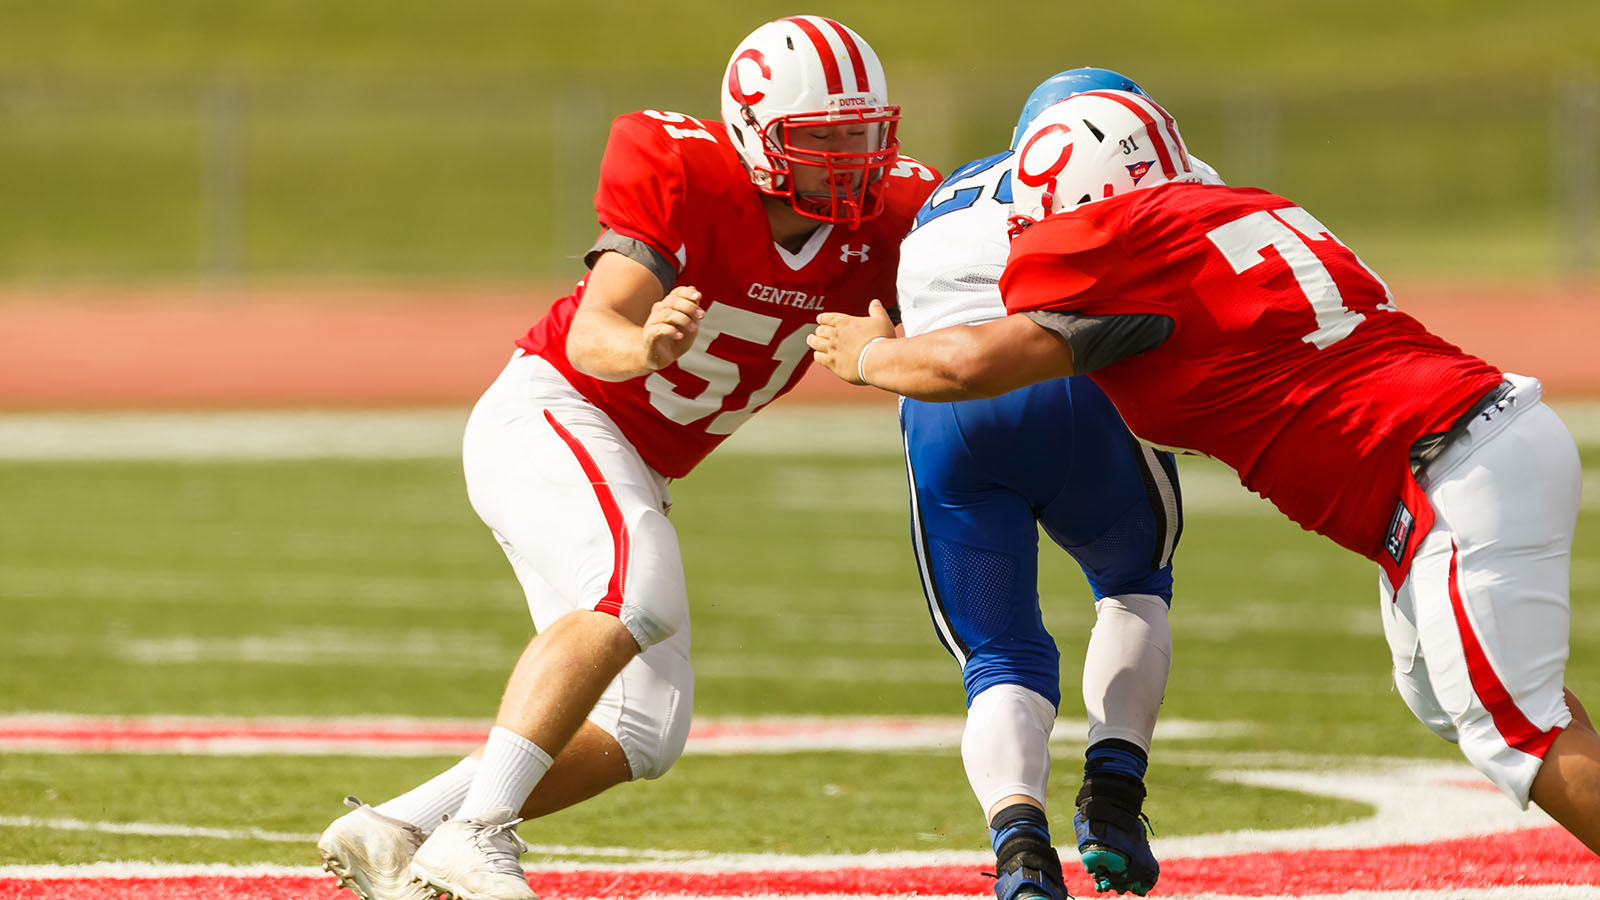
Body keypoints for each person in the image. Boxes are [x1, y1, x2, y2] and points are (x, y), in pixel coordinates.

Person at [808, 88, 1600, 855]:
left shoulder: (1123, 238)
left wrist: (871, 355)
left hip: (1447, 475)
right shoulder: (1243, 210)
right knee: (1448, 690)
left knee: (1512, 730)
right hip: (1479, 442)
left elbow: (974, 362)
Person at [314, 16, 938, 900]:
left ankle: (397, 827)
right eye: (824, 140)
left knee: (646, 727)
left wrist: (897, 350)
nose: (854, 160)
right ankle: (478, 835)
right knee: (631, 593)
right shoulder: (682, 169)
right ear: (759, 138)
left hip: (633, 462)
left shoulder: (895, 218)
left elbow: (961, 340)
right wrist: (645, 348)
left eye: (864, 136)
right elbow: (600, 324)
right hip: (554, 412)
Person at [896, 69, 1218, 898]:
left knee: (997, 654)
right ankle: (1112, 799)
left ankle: (1019, 847)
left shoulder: (949, 192)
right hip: (1078, 383)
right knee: (1134, 585)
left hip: (946, 414)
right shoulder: (1141, 171)